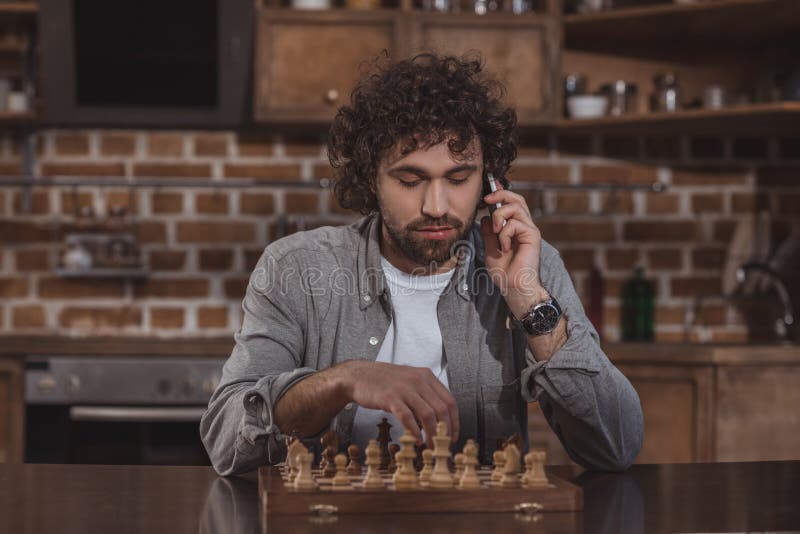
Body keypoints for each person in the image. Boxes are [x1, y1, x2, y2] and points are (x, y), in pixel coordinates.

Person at [200, 53, 643, 476]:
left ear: (490, 180)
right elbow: (224, 438)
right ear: (371, 178)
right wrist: (343, 381)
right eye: (410, 180)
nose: (436, 206)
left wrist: (529, 300)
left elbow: (616, 447)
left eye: (458, 178)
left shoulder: (529, 263)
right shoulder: (295, 267)